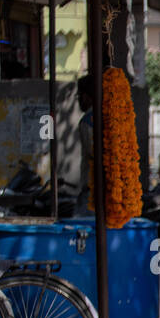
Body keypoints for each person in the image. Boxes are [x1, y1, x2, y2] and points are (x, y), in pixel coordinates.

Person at [75, 75, 93, 216]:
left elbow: (93, 153)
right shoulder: (112, 117)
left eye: (79, 96)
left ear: (86, 96)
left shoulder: (87, 122)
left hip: (92, 190)